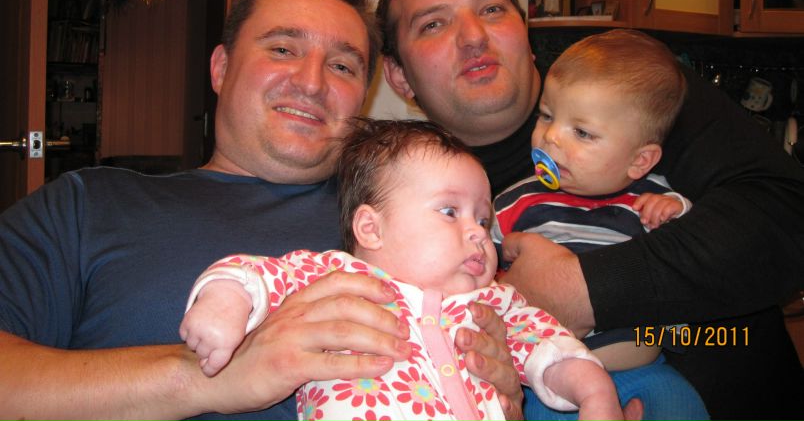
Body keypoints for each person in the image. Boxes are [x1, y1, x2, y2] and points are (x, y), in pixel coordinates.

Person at [0, 0, 524, 420]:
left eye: (342, 66)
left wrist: (505, 394)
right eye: (282, 49)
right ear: (221, 68)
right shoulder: (89, 205)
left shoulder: (434, 218)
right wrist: (203, 377)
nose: (312, 82)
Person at [375, 0, 804, 420]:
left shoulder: (628, 85)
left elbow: (787, 213)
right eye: (433, 24)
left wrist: (584, 288)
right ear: (399, 76)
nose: (473, 36)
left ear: (525, 32)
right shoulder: (400, 188)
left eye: (492, 9)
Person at [181, 118, 628, 421]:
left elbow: (548, 347)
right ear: (371, 229)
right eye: (450, 211)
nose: (478, 233)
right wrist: (224, 305)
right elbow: (257, 274)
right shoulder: (335, 277)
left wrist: (593, 390)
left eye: (483, 219)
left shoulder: (495, 302)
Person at [492, 30, 708, 419]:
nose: (551, 137)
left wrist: (678, 209)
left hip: (642, 372)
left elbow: (701, 257)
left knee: (683, 406)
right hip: (548, 385)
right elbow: (471, 265)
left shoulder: (653, 203)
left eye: (582, 132)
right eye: (547, 115)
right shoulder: (513, 202)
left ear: (640, 160)